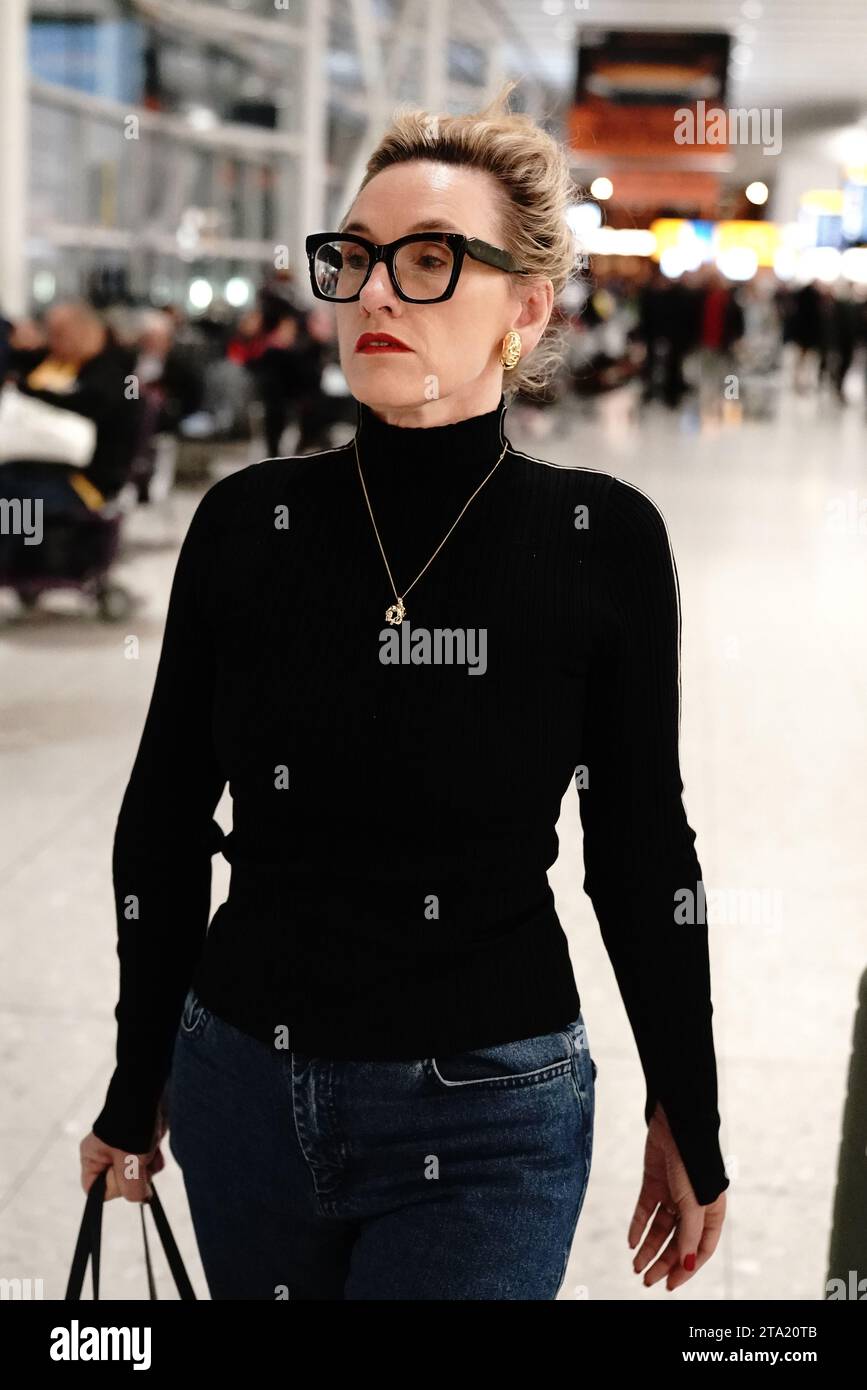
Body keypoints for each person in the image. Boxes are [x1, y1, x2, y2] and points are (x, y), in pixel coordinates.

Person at [80, 80, 729, 1300]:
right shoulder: (247, 525)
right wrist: (135, 1077)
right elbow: (163, 819)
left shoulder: (601, 540)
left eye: (430, 260)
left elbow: (642, 844)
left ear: (524, 310)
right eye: (358, 258)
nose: (375, 291)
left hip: (492, 1104)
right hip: (245, 1090)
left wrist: (685, 1104)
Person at [1, 301, 141, 516]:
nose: (53, 341)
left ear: (82, 332)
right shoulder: (50, 360)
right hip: (33, 462)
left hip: (84, 478)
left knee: (24, 503)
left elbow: (87, 404)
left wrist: (29, 392)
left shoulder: (113, 372)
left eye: (59, 334)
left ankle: (27, 546)